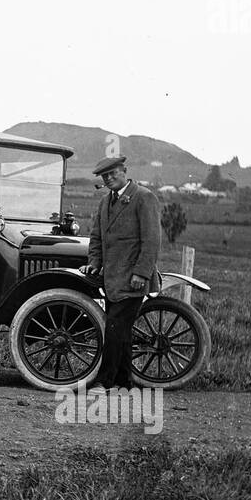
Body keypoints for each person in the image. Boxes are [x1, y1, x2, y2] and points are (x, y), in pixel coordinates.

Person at [81, 156, 161, 389]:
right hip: (111, 280)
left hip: (132, 279)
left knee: (114, 330)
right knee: (122, 331)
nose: (109, 178)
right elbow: (97, 237)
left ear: (124, 171)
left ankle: (104, 382)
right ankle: (124, 382)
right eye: (105, 176)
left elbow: (152, 241)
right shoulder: (105, 202)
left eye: (113, 173)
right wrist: (94, 262)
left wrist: (141, 274)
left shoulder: (144, 197)